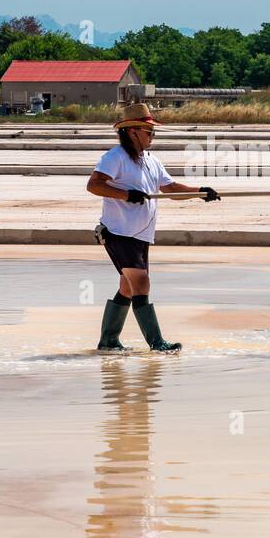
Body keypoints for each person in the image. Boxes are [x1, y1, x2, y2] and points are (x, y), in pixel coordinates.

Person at [86, 103, 220, 353]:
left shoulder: (151, 160)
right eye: (150, 132)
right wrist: (126, 195)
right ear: (133, 131)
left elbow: (168, 189)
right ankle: (157, 344)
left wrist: (200, 192)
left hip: (140, 235)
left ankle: (108, 341)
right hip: (118, 232)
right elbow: (94, 185)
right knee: (141, 283)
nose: (153, 136)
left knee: (128, 287)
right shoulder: (115, 158)